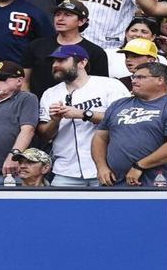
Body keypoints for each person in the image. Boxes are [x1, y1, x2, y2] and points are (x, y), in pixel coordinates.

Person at [92, 61, 167, 187]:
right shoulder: (118, 105)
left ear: (160, 80)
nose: (134, 81)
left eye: (140, 77)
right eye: (133, 77)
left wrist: (140, 166)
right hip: (115, 183)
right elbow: (100, 137)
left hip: (159, 185)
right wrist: (101, 167)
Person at [36, 43, 125, 186]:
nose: (55, 65)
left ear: (82, 63)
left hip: (106, 168)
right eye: (54, 61)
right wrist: (55, 121)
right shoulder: (50, 93)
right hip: (65, 171)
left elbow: (123, 120)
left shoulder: (110, 85)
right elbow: (45, 135)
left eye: (62, 60)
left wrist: (84, 114)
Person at [21, 0, 106, 102]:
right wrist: (30, 106)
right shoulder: (37, 45)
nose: (60, 19)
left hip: (79, 111)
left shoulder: (95, 52)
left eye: (67, 15)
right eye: (57, 14)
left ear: (81, 21)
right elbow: (24, 82)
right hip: (39, 108)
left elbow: (100, 88)